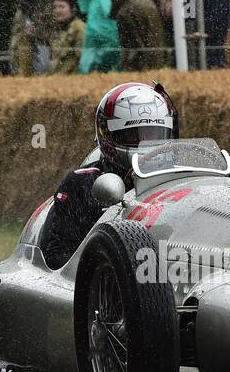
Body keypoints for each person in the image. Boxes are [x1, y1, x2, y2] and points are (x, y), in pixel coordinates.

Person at [39, 81, 177, 269]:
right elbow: (56, 256)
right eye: (132, 136)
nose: (146, 144)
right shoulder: (81, 184)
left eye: (154, 135)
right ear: (108, 135)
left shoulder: (178, 178)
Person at [104, 0, 168, 71]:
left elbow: (132, 49)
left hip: (140, 69)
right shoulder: (147, 2)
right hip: (156, 65)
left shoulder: (127, 11)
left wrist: (125, 70)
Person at [71, 0, 120, 74]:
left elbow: (105, 37)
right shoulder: (101, 1)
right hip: (101, 55)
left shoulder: (101, 3)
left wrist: (97, 62)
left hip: (101, 59)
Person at [9, 0, 57, 76]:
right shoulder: (21, 9)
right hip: (21, 58)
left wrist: (34, 32)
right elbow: (16, 35)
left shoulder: (46, 6)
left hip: (41, 56)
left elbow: (54, 33)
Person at [48, 0, 86, 74]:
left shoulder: (79, 27)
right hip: (56, 79)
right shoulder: (57, 29)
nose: (57, 11)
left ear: (72, 9)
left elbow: (82, 59)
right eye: (54, 8)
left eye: (62, 7)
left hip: (72, 80)